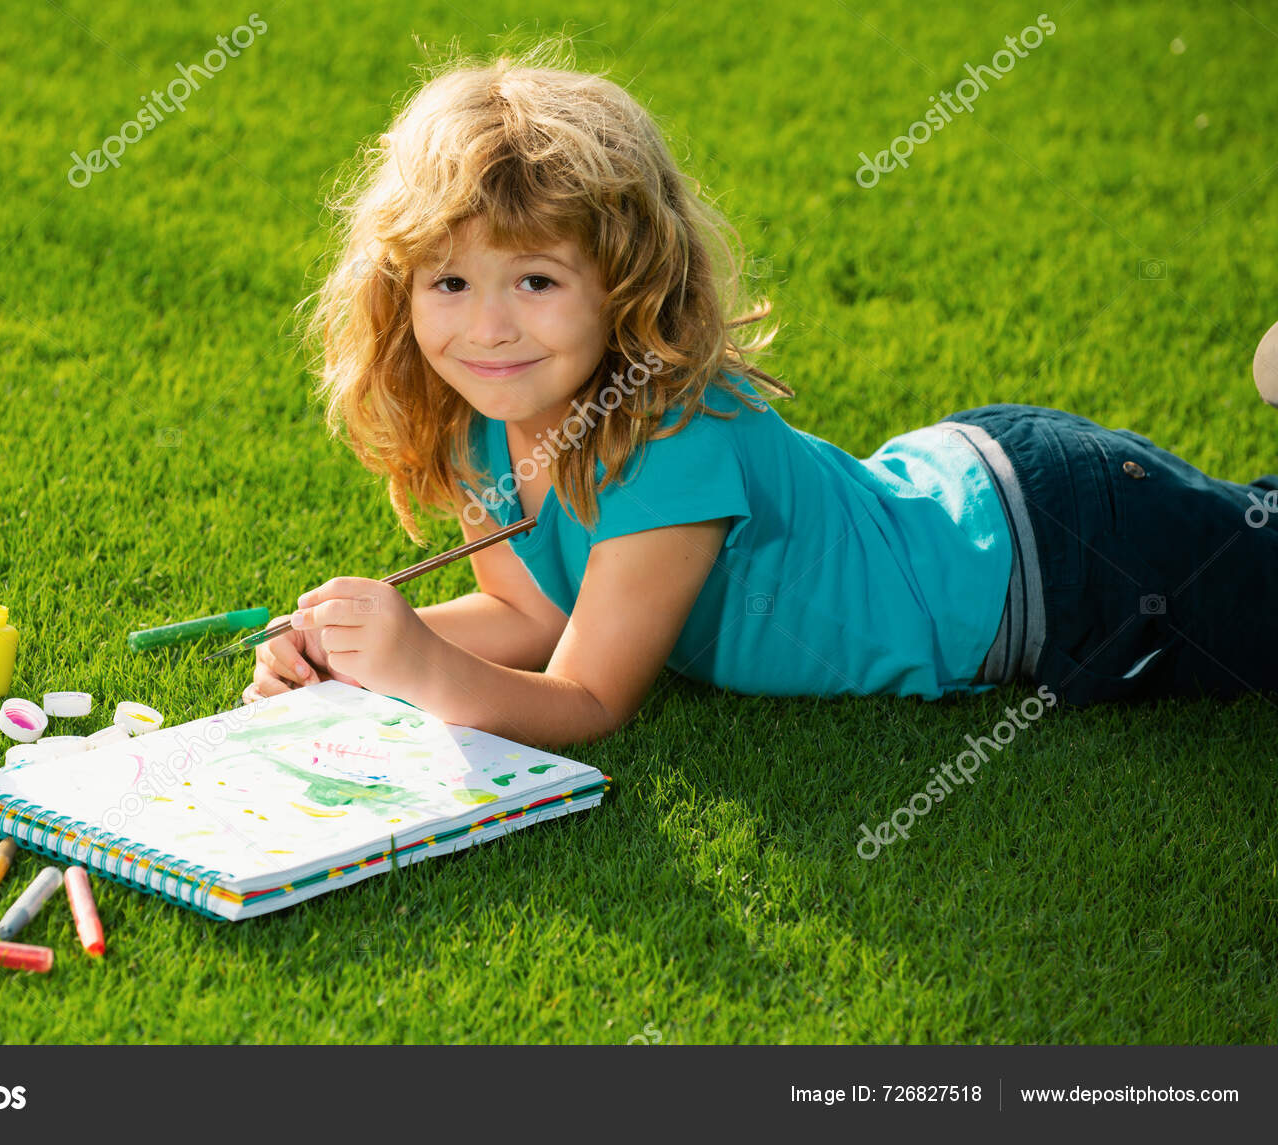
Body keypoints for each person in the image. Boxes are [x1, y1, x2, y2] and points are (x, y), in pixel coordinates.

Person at [241, 45, 1278, 748]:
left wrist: (421, 664)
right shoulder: (489, 417)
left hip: (1063, 559)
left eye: (537, 280)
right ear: (401, 290)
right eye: (450, 284)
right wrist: (357, 652)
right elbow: (534, 611)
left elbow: (590, 695)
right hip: (980, 494)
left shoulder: (668, 435)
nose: (488, 327)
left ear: (626, 281)